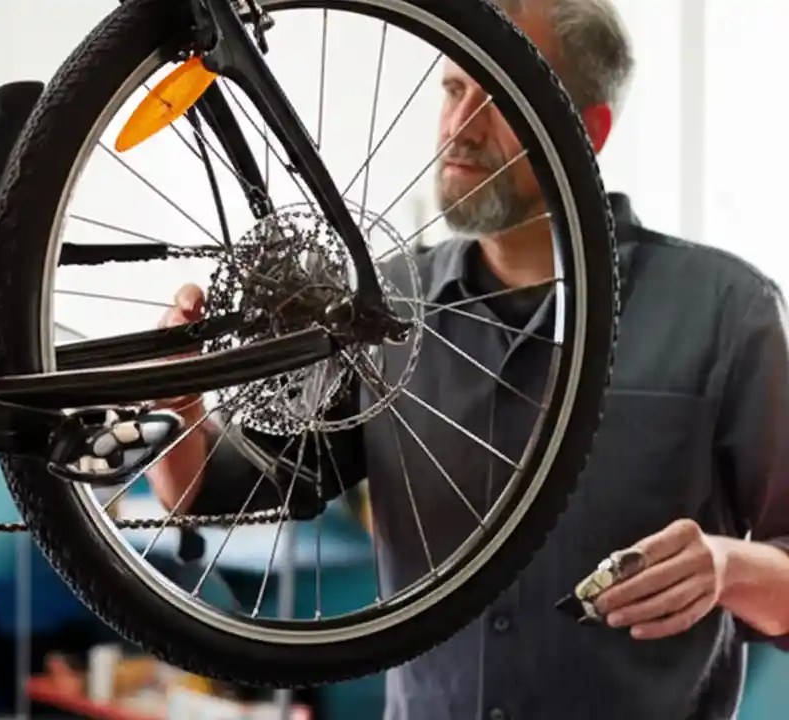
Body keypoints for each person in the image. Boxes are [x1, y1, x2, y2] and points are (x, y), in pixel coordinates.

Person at [145, 0, 789, 718]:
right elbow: (216, 490)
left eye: (499, 99)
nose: (459, 126)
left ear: (588, 132)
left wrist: (727, 568)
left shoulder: (725, 312)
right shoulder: (386, 306)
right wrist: (181, 400)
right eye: (454, 88)